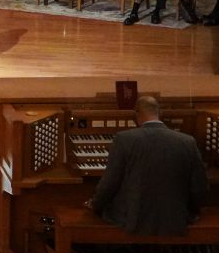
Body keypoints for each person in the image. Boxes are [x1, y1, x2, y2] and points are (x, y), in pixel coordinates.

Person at [86, 95, 210, 234]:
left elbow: (109, 183)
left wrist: (95, 205)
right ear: (160, 113)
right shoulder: (188, 142)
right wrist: (193, 211)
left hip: (133, 218)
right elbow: (199, 187)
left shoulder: (124, 139)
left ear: (137, 114)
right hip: (175, 218)